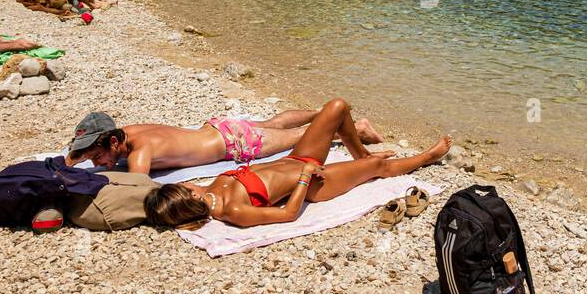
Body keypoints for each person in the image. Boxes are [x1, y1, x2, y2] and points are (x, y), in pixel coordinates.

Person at [143, 98, 451, 229]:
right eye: (181, 185)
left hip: (296, 160)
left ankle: (362, 156)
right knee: (378, 171)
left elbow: (150, 194)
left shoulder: (212, 187)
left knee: (337, 107)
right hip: (315, 182)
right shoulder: (232, 212)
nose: (185, 180)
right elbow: (288, 214)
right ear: (189, 196)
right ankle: (428, 156)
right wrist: (304, 177)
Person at [65, 108, 386, 174]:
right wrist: (72, 160)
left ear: (113, 143)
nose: (98, 163)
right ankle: (325, 112)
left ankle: (355, 127)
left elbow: (136, 188)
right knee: (274, 122)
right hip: (218, 127)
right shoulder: (129, 130)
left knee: (301, 136)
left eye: (97, 156)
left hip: (236, 144)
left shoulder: (139, 153)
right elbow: (90, 154)